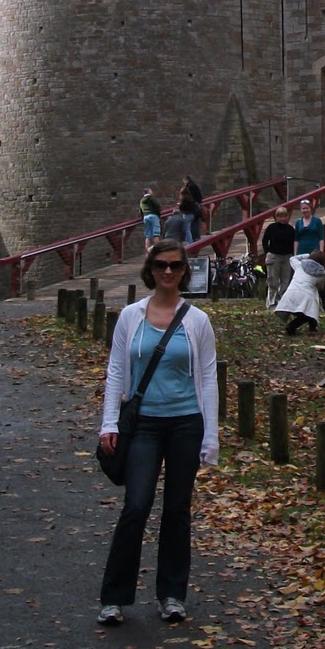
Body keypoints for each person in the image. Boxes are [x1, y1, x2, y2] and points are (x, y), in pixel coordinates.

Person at [97, 239, 219, 627]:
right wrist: (109, 423)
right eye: (161, 265)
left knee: (177, 509)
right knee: (136, 505)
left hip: (186, 422)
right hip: (144, 424)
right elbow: (117, 370)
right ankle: (114, 597)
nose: (168, 271)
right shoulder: (130, 316)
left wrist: (211, 436)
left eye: (176, 265)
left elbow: (209, 378)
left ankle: (172, 594)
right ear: (150, 269)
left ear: (184, 271)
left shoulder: (198, 321)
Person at [273, 251, 325, 335]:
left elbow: (293, 258)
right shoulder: (321, 274)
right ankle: (294, 326)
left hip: (292, 293)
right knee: (309, 311)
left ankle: (310, 327)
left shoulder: (300, 265)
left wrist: (307, 255)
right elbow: (320, 287)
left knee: (307, 308)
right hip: (306, 296)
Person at [259, 205, 296, 309]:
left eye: (285, 216)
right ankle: (271, 303)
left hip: (287, 257)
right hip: (274, 256)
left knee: (285, 281)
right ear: (276, 217)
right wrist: (268, 251)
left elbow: (294, 242)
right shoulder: (271, 228)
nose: (283, 218)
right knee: (273, 281)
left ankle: (282, 303)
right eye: (280, 216)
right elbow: (265, 240)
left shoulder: (290, 229)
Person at [177, 179, 202, 246]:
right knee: (192, 227)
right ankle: (195, 239)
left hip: (187, 215)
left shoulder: (184, 199)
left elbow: (182, 207)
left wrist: (179, 205)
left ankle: (189, 243)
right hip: (193, 214)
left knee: (187, 229)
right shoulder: (190, 198)